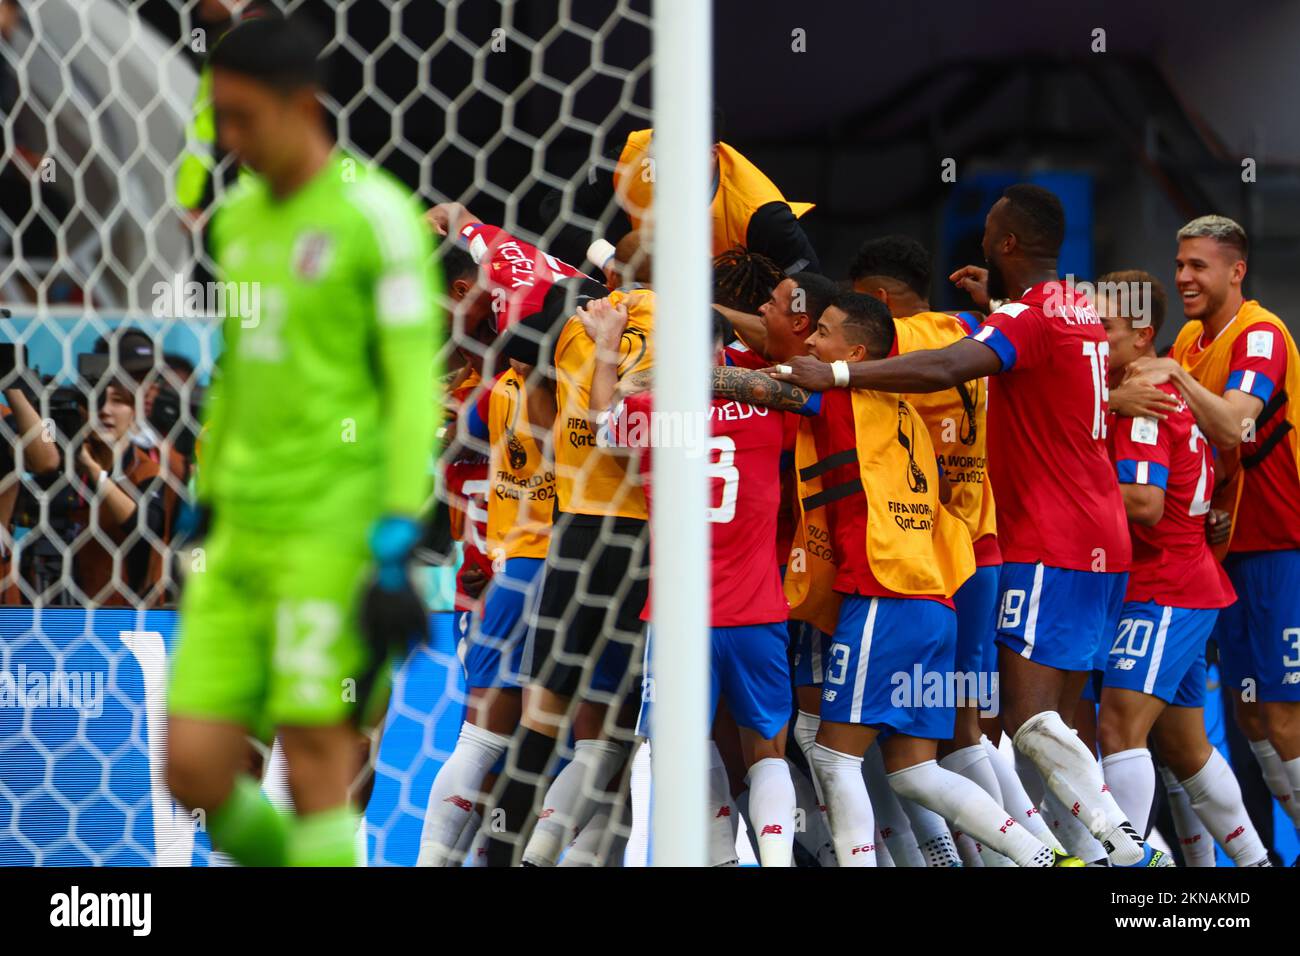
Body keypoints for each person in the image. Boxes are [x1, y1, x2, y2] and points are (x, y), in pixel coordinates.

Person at [768, 185, 1164, 866]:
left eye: (989, 228)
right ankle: (1090, 855)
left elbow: (949, 366)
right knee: (1046, 723)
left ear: (1008, 243)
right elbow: (1032, 355)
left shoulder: (1029, 316)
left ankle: (1125, 846)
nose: (980, 235)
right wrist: (995, 310)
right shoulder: (1076, 309)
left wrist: (837, 374)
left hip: (1046, 535)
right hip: (1098, 533)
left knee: (1023, 718)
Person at [164, 16, 440, 867]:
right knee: (194, 769)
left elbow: (412, 387)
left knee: (318, 766)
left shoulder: (376, 218)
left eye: (243, 117)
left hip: (336, 527)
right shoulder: (237, 223)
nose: (230, 139)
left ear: (304, 104)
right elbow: (240, 370)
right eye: (220, 119)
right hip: (241, 527)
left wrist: (397, 533)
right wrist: (206, 496)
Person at [787, 291, 1064, 867]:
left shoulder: (839, 397)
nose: (810, 342)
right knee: (915, 771)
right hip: (936, 603)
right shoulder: (905, 409)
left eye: (824, 332)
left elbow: (760, 386)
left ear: (856, 351)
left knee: (834, 758)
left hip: (884, 594)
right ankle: (1044, 858)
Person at [592, 304, 819, 867]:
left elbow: (599, 420)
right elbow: (811, 396)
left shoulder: (649, 408)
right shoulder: (771, 410)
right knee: (767, 750)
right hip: (757, 612)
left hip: (677, 620)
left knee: (682, 749)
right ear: (724, 351)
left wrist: (607, 344)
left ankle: (717, 859)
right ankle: (777, 858)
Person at [1130, 215, 1300, 834]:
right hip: (1225, 552)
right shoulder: (1188, 346)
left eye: (1198, 265)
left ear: (1237, 270)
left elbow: (1234, 425)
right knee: (1251, 720)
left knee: (1283, 718)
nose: (1183, 277)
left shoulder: (1261, 336)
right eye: (1179, 265)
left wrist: (1172, 377)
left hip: (1283, 543)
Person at [1095, 270, 1269, 866]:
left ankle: (1133, 867)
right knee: (1185, 746)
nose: (1093, 338)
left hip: (1163, 587)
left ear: (1142, 334)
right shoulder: (1154, 387)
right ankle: (1252, 864)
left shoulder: (1142, 398)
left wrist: (1069, 485)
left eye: (1106, 328)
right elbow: (1211, 471)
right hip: (1180, 581)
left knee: (1119, 729)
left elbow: (1142, 503)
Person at [418, 357, 555, 866]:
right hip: (516, 582)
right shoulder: (525, 403)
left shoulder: (487, 406)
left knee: (489, 743)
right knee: (510, 745)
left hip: (488, 586)